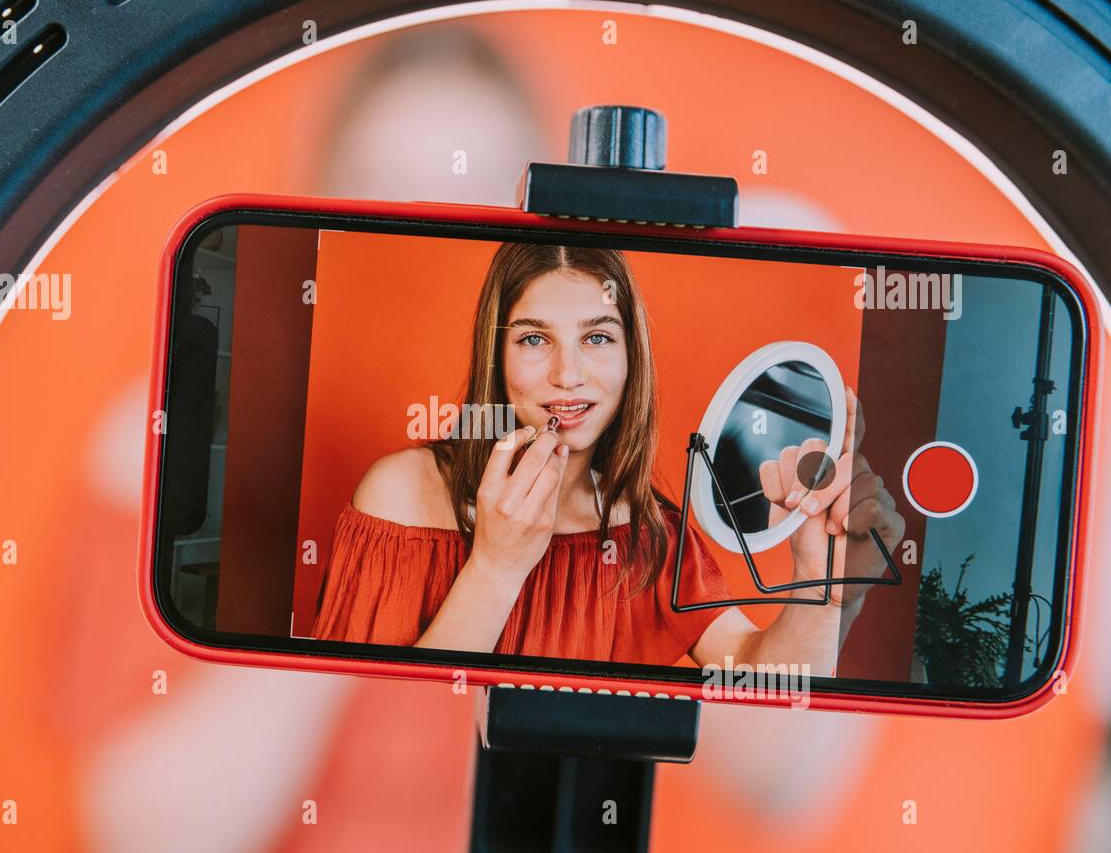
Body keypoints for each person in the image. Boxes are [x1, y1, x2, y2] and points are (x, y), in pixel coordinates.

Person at [311, 243, 905, 676]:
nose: (568, 375)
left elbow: (761, 688)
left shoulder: (650, 535)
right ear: (497, 358)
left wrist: (824, 592)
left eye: (597, 338)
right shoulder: (401, 494)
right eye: (533, 339)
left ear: (630, 360)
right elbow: (361, 735)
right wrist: (495, 567)